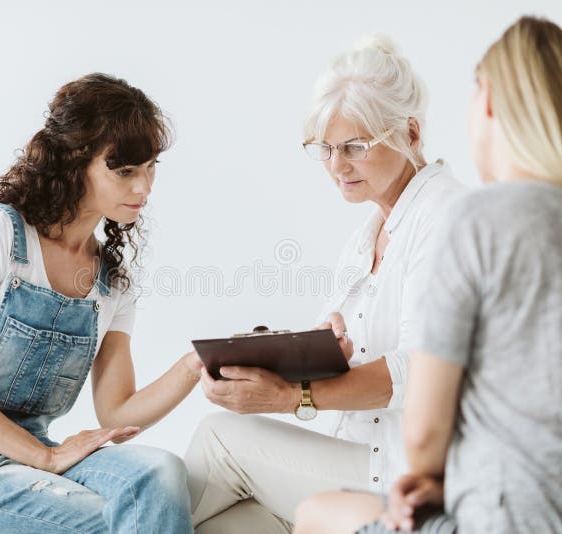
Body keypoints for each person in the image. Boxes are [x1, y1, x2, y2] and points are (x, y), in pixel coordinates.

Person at [294, 16, 562, 534]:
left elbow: (424, 435)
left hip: (506, 521)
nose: (338, 164)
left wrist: (429, 475)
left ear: (488, 102)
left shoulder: (474, 219)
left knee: (315, 514)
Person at [0, 73, 201, 533]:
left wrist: (195, 365)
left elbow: (115, 413)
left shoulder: (111, 283)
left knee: (161, 474)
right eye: (126, 171)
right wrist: (46, 456)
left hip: (31, 466)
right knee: (110, 523)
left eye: (151, 166)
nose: (144, 188)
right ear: (75, 164)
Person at [184, 35, 462, 532]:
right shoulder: (367, 235)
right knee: (227, 525)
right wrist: (314, 353)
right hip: (353, 454)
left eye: (355, 146)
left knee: (218, 441)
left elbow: (418, 371)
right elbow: (355, 357)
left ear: (411, 133)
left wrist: (295, 397)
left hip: (400, 473)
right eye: (327, 148)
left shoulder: (443, 216)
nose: (337, 165)